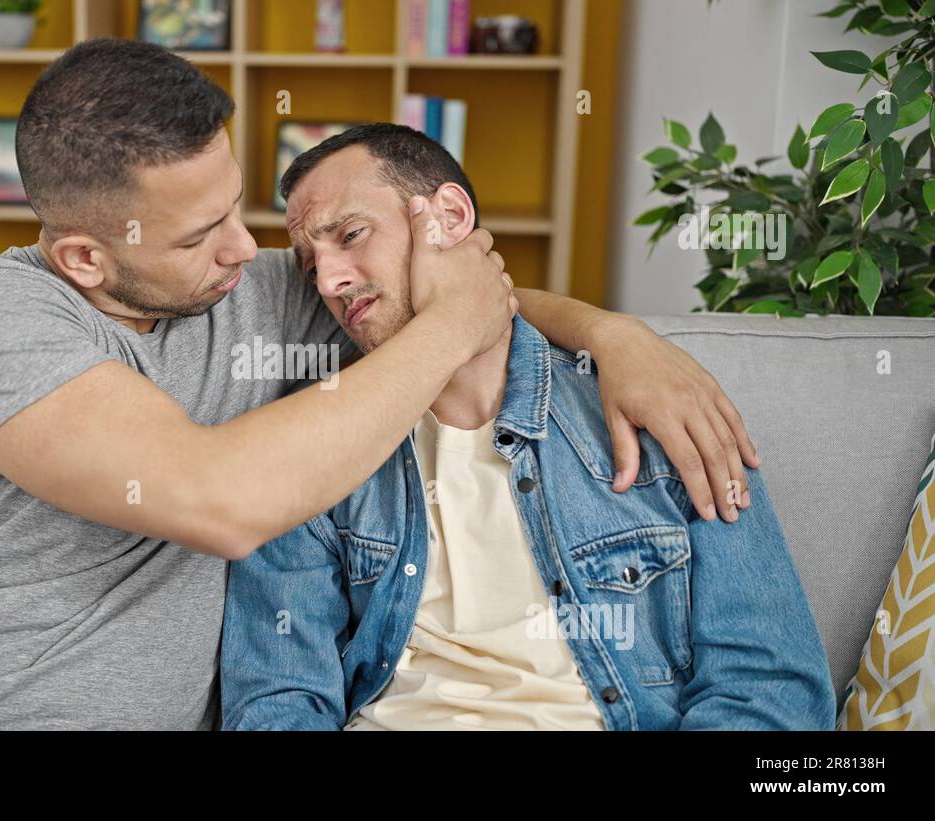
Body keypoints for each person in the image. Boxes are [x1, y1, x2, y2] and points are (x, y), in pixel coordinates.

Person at [0, 40, 761, 731]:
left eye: (236, 207)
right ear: (85, 258)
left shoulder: (258, 290)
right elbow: (218, 499)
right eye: (198, 234)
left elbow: (441, 289)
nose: (246, 249)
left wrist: (617, 332)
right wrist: (452, 327)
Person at [219, 124, 835, 731]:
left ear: (450, 217)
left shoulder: (652, 406)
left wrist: (613, 334)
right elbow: (278, 699)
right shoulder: (310, 445)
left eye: (351, 235)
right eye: (310, 269)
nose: (329, 281)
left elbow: (769, 689)